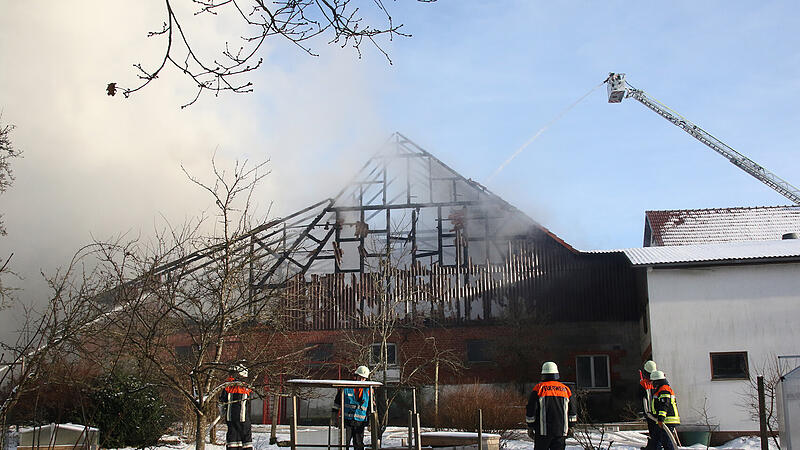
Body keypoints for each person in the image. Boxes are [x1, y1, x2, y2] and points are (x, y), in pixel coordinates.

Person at [525, 362, 577, 450]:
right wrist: (571, 426)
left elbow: (531, 409)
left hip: (542, 432)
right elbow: (573, 410)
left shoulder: (539, 388)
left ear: (543, 374)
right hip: (560, 432)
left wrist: (530, 426)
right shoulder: (566, 389)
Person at [332, 365, 371, 450]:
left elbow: (371, 408)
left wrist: (370, 422)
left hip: (360, 423)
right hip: (346, 421)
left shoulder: (368, 390)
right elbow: (336, 403)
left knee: (359, 444)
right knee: (344, 444)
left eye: (363, 378)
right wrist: (334, 417)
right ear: (356, 376)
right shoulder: (345, 388)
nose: (361, 380)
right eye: (360, 377)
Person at [219, 365, 253, 450]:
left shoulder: (227, 386)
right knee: (246, 441)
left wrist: (222, 412)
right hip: (243, 418)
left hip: (230, 418)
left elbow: (221, 402)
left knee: (232, 440)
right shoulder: (247, 388)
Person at [647, 370, 680, 450]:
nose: (652, 384)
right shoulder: (660, 389)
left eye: (653, 381)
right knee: (655, 441)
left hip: (667, 420)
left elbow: (664, 404)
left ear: (657, 381)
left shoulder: (663, 389)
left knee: (666, 442)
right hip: (662, 420)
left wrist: (661, 417)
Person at [639, 360, 659, 450]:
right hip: (658, 410)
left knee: (653, 430)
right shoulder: (658, 381)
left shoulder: (644, 384)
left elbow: (641, 396)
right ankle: (653, 445)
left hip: (650, 411)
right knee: (656, 430)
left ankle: (654, 446)